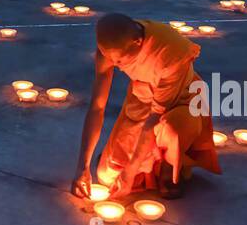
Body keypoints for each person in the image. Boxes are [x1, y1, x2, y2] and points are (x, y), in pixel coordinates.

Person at [71, 13, 221, 201]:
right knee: (106, 175)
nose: (115, 65)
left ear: (137, 42)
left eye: (120, 60)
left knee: (172, 130)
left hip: (183, 103)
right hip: (143, 99)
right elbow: (97, 107)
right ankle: (147, 166)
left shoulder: (169, 53)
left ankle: (170, 169)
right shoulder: (110, 48)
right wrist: (82, 167)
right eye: (109, 58)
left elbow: (154, 120)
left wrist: (130, 174)